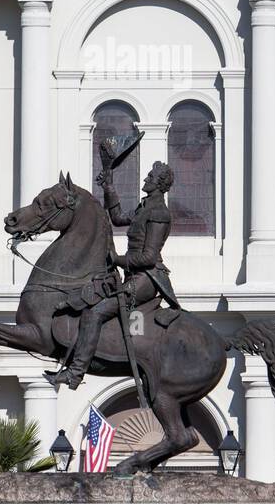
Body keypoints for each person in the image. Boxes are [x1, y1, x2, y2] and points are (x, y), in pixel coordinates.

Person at [45, 160, 180, 391]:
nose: (145, 179)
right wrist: (109, 186)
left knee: (95, 313)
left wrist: (116, 259)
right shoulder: (144, 207)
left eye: (150, 176)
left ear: (159, 184)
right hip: (131, 275)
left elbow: (148, 258)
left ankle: (75, 374)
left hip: (147, 278)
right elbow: (117, 218)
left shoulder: (159, 213)